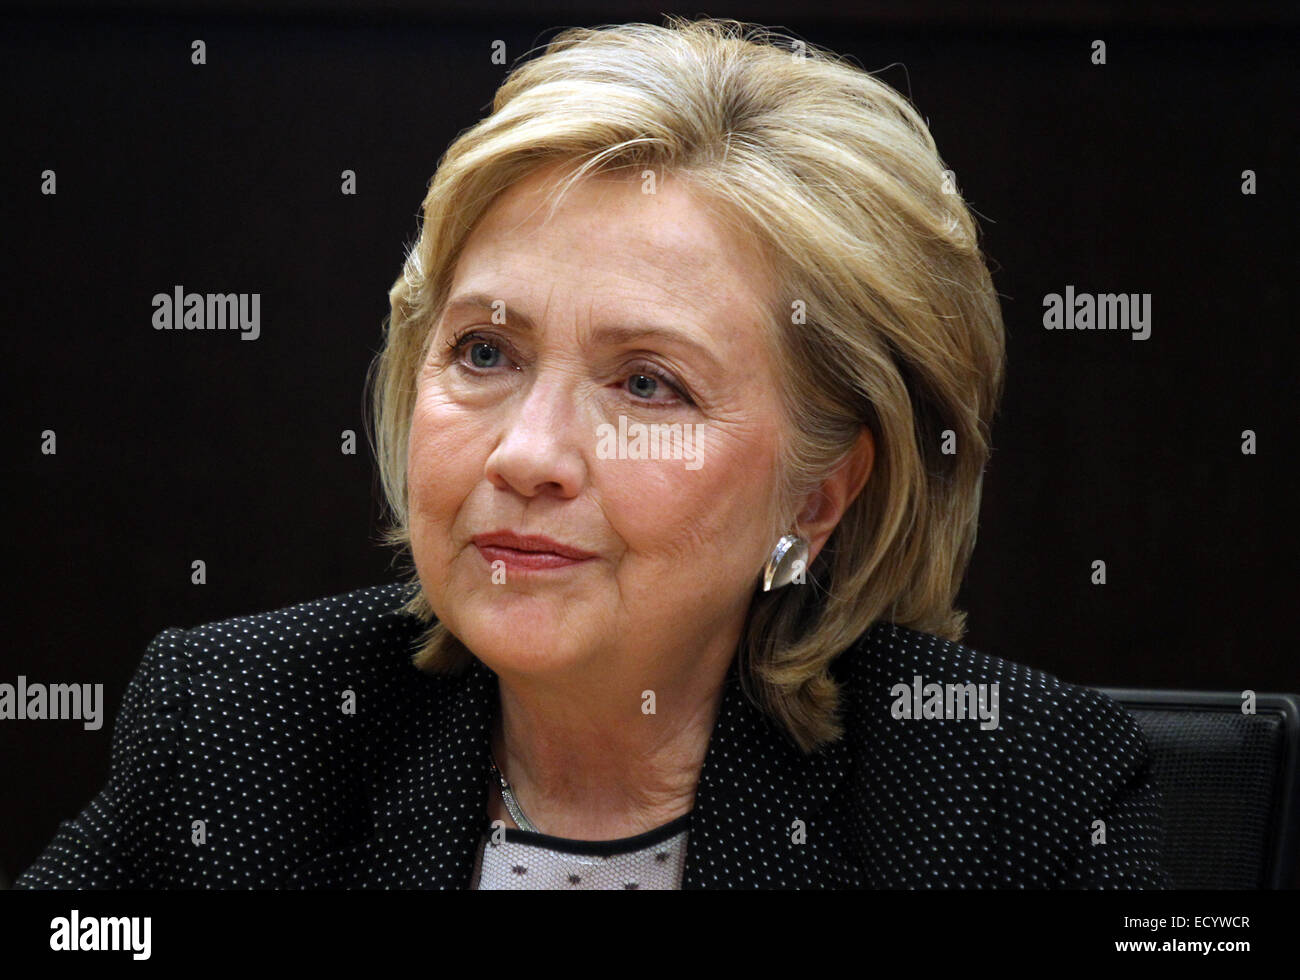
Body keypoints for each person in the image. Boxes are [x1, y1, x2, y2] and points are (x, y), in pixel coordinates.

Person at [15, 16, 1169, 890]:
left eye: (647, 383)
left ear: (819, 493)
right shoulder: (238, 727)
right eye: (482, 351)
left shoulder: (1015, 797)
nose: (527, 453)